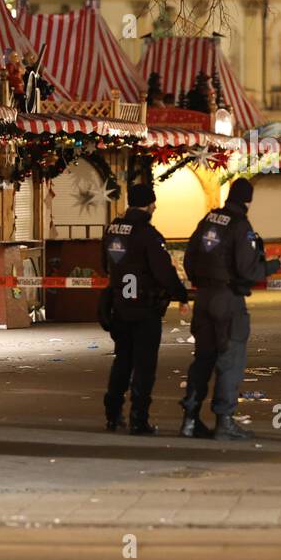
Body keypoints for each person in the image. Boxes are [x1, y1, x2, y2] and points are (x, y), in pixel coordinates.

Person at [181, 179, 280, 441]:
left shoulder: (209, 220)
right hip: (228, 300)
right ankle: (224, 421)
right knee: (229, 360)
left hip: (203, 298)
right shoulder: (240, 226)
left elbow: (189, 258)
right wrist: (274, 265)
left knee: (202, 359)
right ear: (248, 201)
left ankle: (190, 420)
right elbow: (248, 271)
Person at [99, 183, 189, 434]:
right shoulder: (148, 234)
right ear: (149, 204)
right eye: (154, 203)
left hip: (120, 307)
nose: (155, 207)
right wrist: (180, 294)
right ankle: (139, 419)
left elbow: (104, 265)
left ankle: (113, 414)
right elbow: (163, 272)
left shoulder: (113, 230)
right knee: (144, 365)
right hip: (145, 308)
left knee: (122, 361)